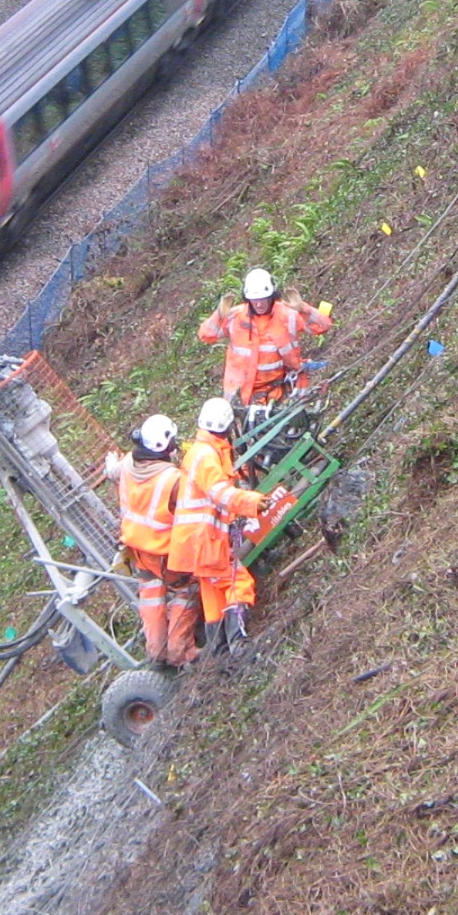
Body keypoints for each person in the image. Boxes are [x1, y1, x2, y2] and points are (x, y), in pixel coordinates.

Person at [167, 398, 264, 654]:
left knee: (213, 592)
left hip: (194, 542)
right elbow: (220, 493)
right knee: (237, 581)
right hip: (204, 541)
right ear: (228, 426)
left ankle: (219, 652)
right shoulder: (207, 456)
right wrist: (253, 503)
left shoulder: (200, 451)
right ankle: (239, 644)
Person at [106, 415, 200, 669]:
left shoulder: (127, 464)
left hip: (138, 551)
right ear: (165, 447)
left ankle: (156, 652)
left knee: (151, 599)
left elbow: (111, 471)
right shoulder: (172, 480)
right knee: (187, 591)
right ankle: (179, 651)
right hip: (167, 555)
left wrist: (109, 461)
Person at [198, 267, 333, 416]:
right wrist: (218, 316)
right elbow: (206, 335)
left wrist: (304, 309)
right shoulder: (235, 316)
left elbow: (323, 326)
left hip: (279, 391)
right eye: (255, 300)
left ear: (272, 296)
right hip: (242, 396)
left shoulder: (287, 314)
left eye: (263, 299)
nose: (259, 304)